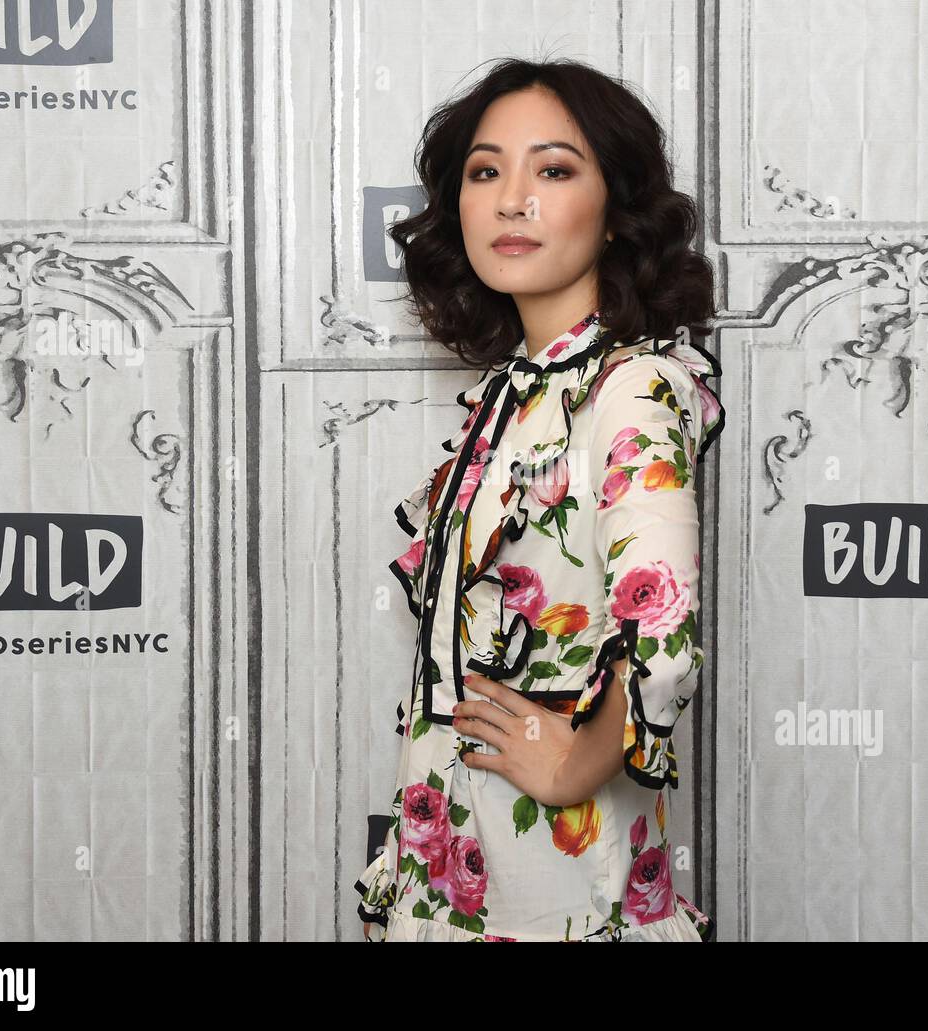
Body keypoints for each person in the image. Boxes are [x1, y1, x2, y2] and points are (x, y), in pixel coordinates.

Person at [355, 56, 725, 941]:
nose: (512, 197)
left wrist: (574, 765)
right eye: (487, 172)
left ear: (614, 214)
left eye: (554, 169)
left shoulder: (632, 386)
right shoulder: (512, 391)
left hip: (558, 878)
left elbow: (663, 640)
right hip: (452, 855)